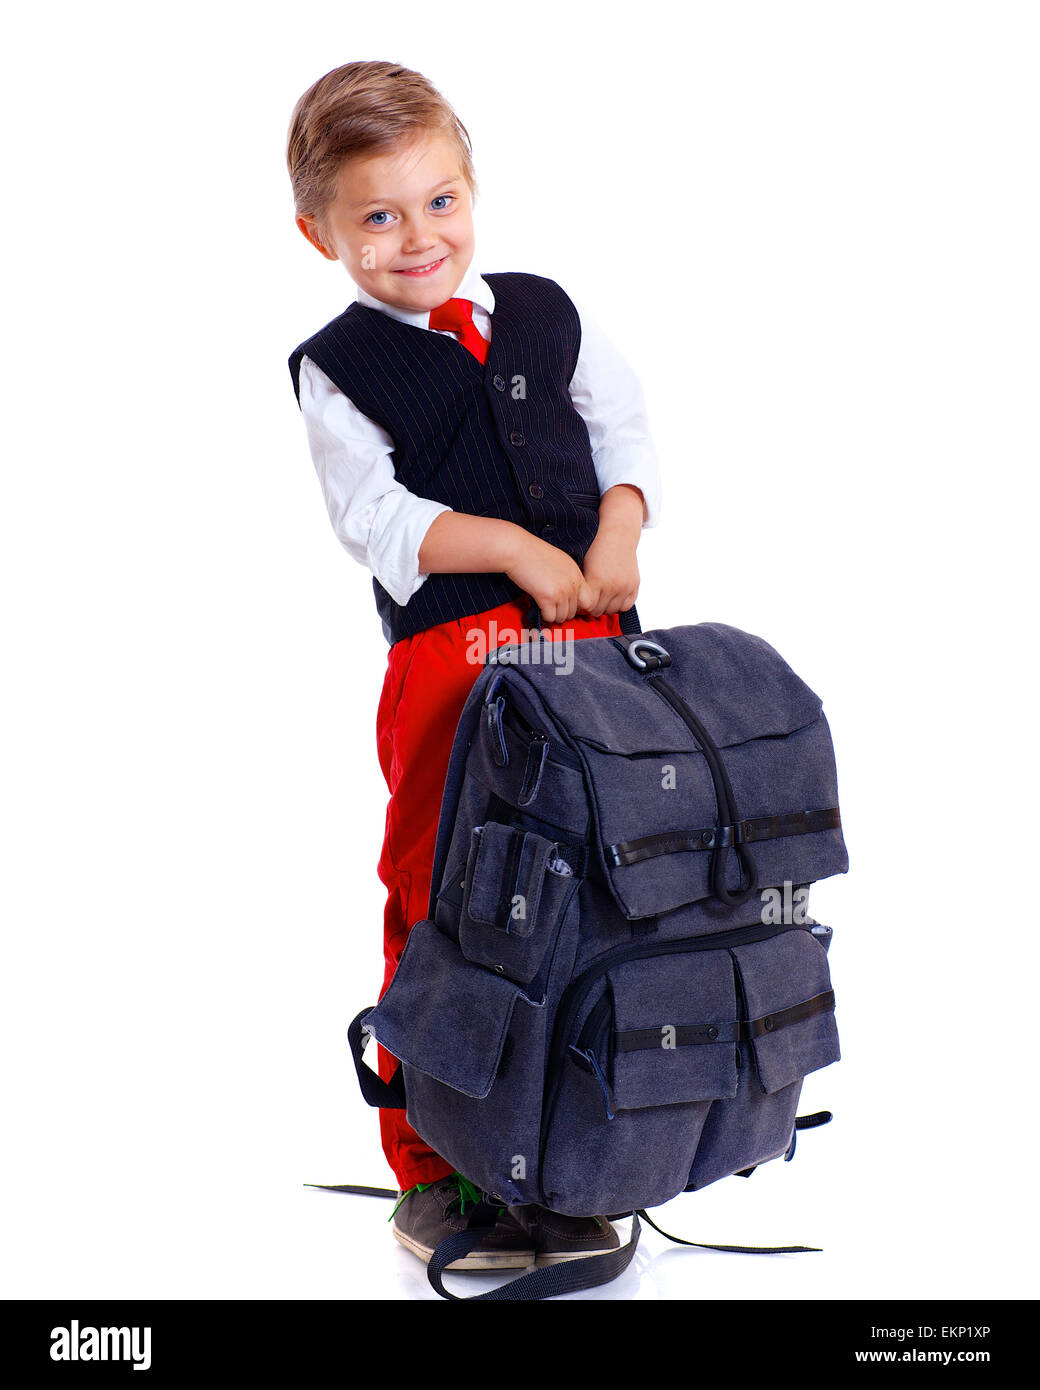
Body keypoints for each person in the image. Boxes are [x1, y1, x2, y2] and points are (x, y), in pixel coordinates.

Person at [285, 60, 662, 1271]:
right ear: (320, 233)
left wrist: (613, 532)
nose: (416, 238)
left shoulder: (545, 311)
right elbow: (378, 523)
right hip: (454, 668)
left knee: (593, 894)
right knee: (447, 900)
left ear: (471, 188)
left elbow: (621, 429)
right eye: (377, 216)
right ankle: (439, 1174)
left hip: (592, 656)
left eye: (438, 202)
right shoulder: (339, 365)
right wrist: (509, 548)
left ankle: (569, 1154)